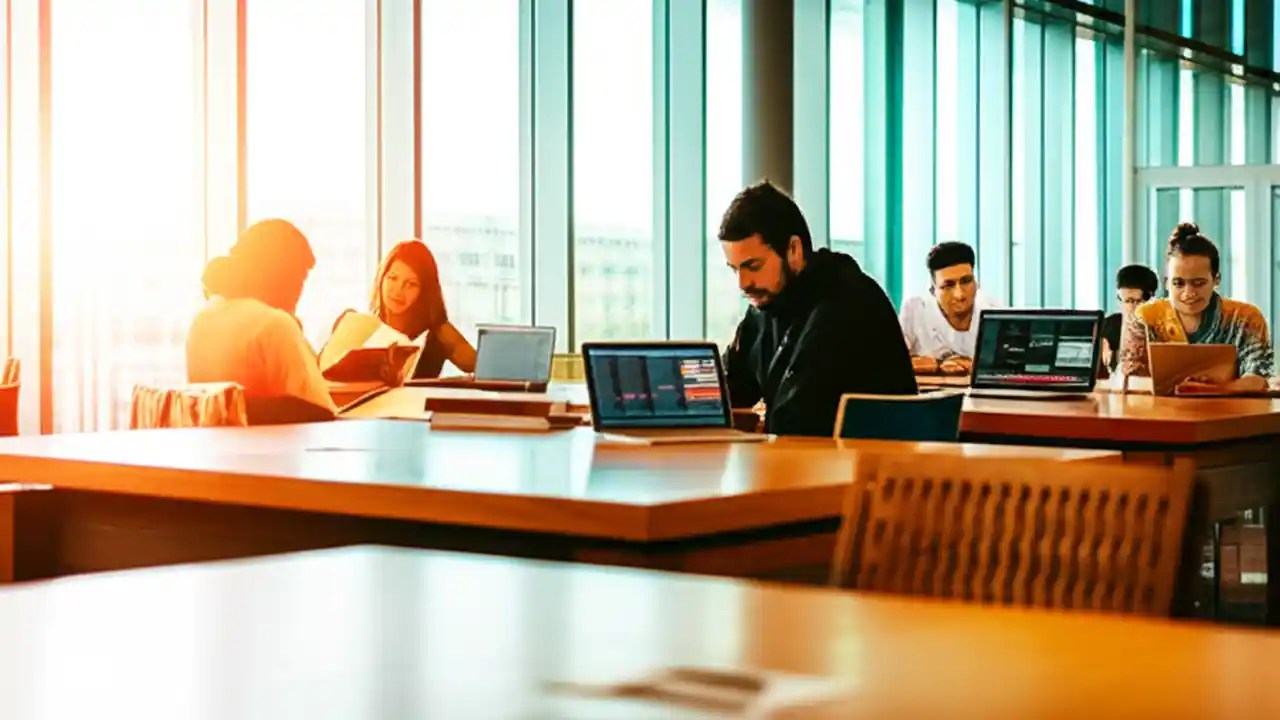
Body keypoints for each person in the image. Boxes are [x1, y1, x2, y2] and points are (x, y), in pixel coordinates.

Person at [720, 180, 916, 436]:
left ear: (793, 249)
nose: (743, 284)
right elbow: (733, 386)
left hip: (864, 468)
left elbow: (796, 420)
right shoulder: (767, 303)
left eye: (753, 266)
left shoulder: (847, 303)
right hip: (816, 464)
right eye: (735, 270)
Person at [187, 218, 336, 412]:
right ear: (282, 275)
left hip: (222, 441)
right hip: (283, 441)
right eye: (301, 277)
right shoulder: (274, 325)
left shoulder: (202, 321)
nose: (300, 290)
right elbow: (322, 409)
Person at [1119, 223, 1273, 394]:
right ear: (1166, 282)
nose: (1188, 293)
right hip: (1160, 414)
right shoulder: (1145, 317)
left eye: (1198, 283)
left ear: (1216, 280)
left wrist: (1213, 390)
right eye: (1178, 283)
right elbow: (1130, 379)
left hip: (1229, 413)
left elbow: (1259, 379)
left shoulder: (1245, 318)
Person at [365, 239, 477, 377]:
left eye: (411, 284)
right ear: (381, 279)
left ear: (424, 291)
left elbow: (482, 366)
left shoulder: (438, 334)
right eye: (393, 278)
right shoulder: (362, 327)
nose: (398, 290)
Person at [898, 242, 998, 375]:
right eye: (948, 286)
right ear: (933, 290)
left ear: (976, 283)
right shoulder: (915, 309)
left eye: (966, 281)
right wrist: (939, 365)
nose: (959, 294)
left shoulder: (992, 311)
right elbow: (892, 362)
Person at [1100, 264, 1159, 372]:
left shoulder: (1163, 327)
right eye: (1128, 301)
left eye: (1139, 301)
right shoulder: (1108, 326)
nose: (1134, 308)